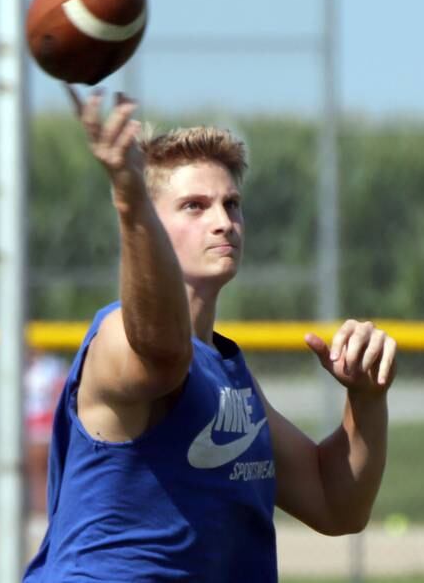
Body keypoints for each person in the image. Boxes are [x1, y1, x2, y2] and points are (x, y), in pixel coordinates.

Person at [23, 90, 397, 582]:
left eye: (232, 204)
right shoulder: (118, 339)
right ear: (151, 225)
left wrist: (366, 400)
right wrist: (130, 198)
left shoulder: (224, 370)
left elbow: (336, 504)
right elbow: (161, 355)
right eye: (194, 206)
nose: (224, 222)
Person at [24, 349, 68, 513]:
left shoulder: (37, 372)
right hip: (46, 426)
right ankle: (48, 512)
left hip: (42, 426)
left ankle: (45, 512)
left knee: (42, 474)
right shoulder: (52, 368)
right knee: (45, 473)